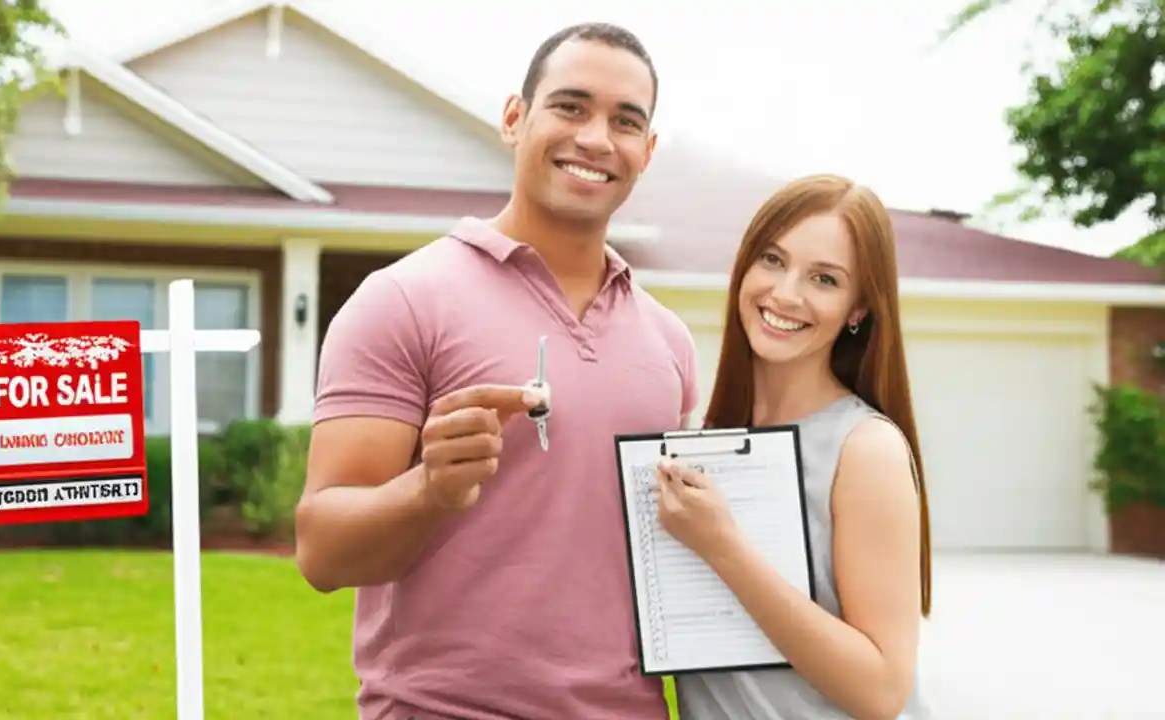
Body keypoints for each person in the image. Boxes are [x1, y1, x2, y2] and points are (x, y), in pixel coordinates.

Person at [295, 22, 697, 720]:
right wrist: (428, 489)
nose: (597, 139)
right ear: (516, 118)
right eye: (571, 106)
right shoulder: (402, 300)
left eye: (625, 121)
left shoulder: (669, 341)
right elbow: (322, 552)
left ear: (647, 151)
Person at [653, 174, 933, 720]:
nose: (785, 294)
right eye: (773, 260)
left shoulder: (864, 448)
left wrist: (722, 547)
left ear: (858, 309)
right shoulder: (700, 445)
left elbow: (881, 692)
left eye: (825, 279)